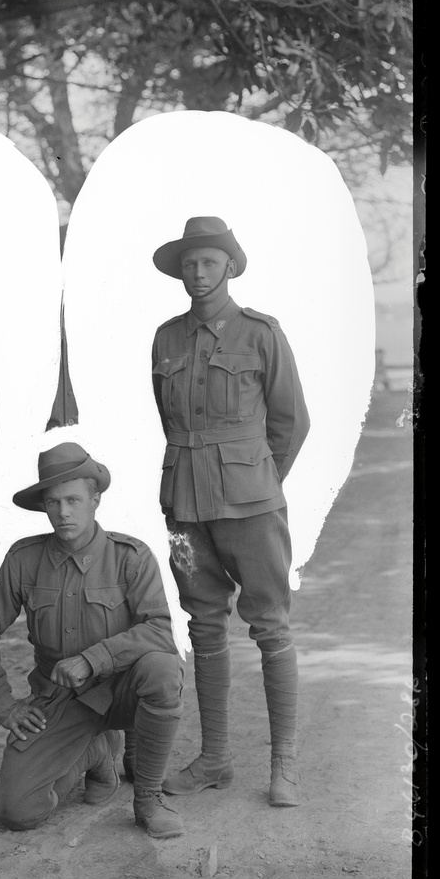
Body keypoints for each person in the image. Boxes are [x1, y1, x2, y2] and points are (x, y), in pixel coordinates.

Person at [149, 215, 310, 807]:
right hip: (184, 510)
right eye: (190, 263)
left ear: (230, 267)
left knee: (270, 624)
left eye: (209, 262)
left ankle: (284, 765)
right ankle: (214, 758)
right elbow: (170, 421)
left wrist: (256, 479)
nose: (198, 272)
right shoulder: (166, 339)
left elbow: (291, 422)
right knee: (204, 622)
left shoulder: (261, 333)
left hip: (251, 507)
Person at [0, 442, 186, 838]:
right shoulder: (24, 560)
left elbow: (162, 630)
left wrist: (94, 658)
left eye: (73, 500)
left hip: (123, 690)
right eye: (53, 502)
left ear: (95, 500)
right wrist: (3, 706)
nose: (63, 512)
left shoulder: (130, 557)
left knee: (163, 671)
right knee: (16, 811)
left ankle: (149, 799)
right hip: (61, 699)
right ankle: (96, 753)